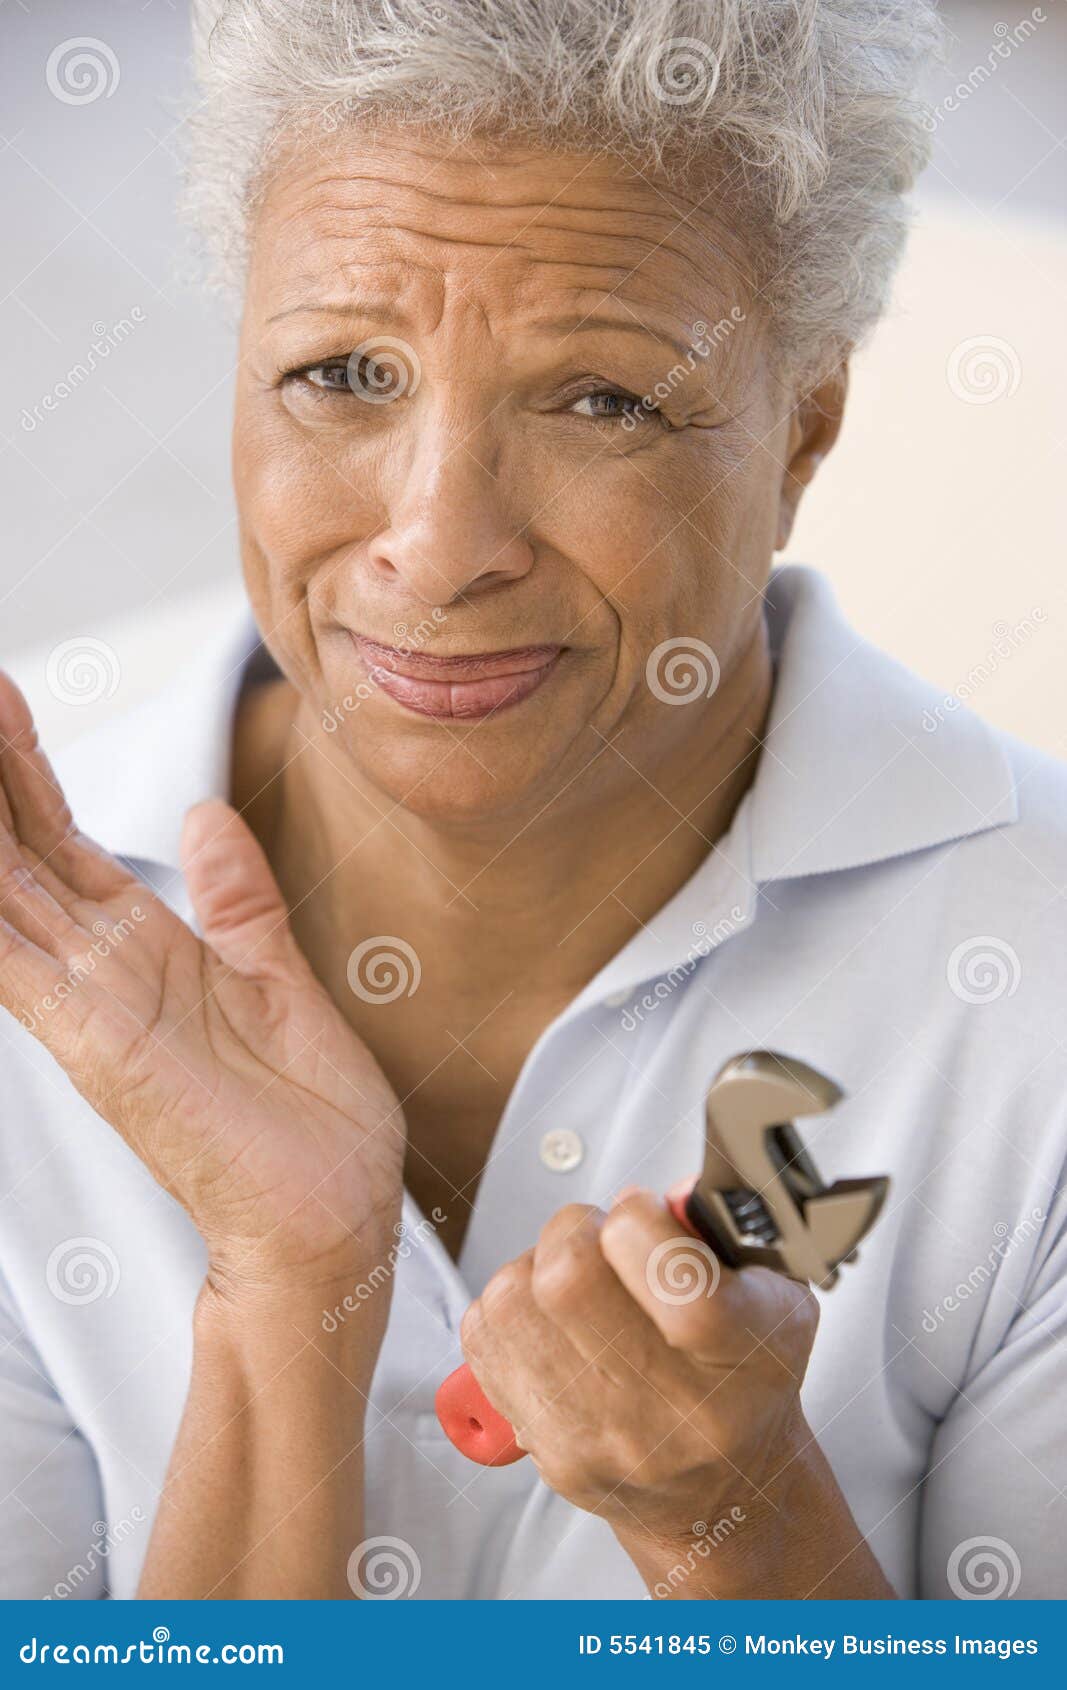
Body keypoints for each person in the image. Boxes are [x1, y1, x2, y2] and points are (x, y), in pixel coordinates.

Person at [0, 0, 1064, 1601]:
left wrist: (743, 1518)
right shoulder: (36, 912)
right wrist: (288, 1299)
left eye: (603, 402)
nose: (436, 545)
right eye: (343, 373)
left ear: (808, 427)